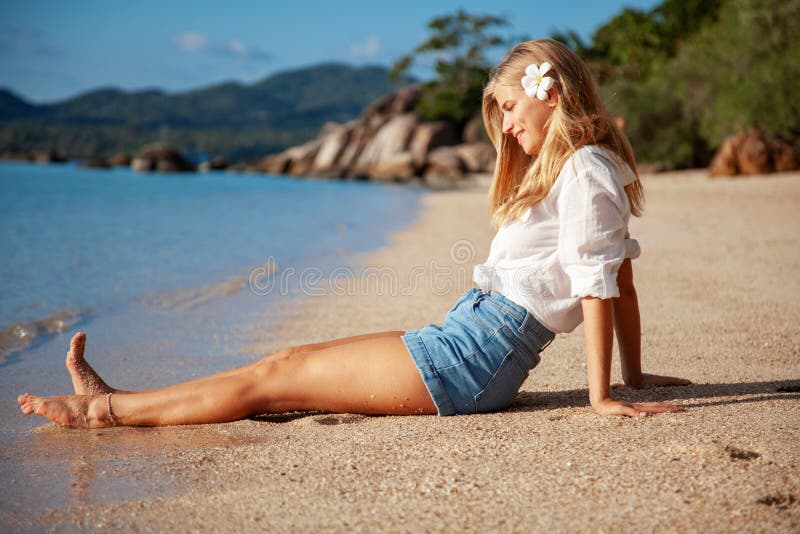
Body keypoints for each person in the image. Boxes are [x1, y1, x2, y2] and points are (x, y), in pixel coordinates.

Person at [18, 39, 690, 429]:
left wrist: (606, 395)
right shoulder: (576, 169)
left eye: (510, 108)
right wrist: (631, 374)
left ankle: (104, 413)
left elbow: (603, 281)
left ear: (550, 92)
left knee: (275, 377)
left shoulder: (588, 170)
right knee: (286, 365)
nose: (507, 126)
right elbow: (619, 282)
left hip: (478, 360)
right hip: (464, 338)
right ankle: (116, 405)